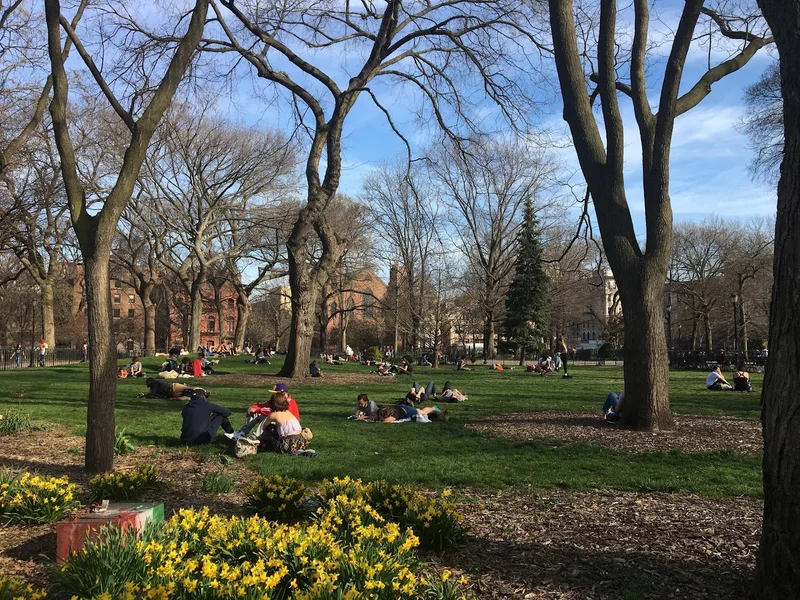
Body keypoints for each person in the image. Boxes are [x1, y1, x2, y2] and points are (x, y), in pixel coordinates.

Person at [226, 382, 301, 439]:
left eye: (276, 394)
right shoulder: (279, 400)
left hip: (285, 429)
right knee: (257, 414)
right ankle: (242, 433)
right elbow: (262, 405)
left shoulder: (289, 403)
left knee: (263, 418)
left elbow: (274, 413)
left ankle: (253, 438)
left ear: (283, 394)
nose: (273, 396)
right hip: (282, 427)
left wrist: (258, 410)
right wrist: (253, 408)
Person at [376, 404, 447, 423]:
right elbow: (374, 414)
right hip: (399, 407)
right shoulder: (382, 409)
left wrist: (380, 419)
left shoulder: (394, 415)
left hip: (406, 410)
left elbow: (385, 421)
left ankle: (433, 408)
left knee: (421, 412)